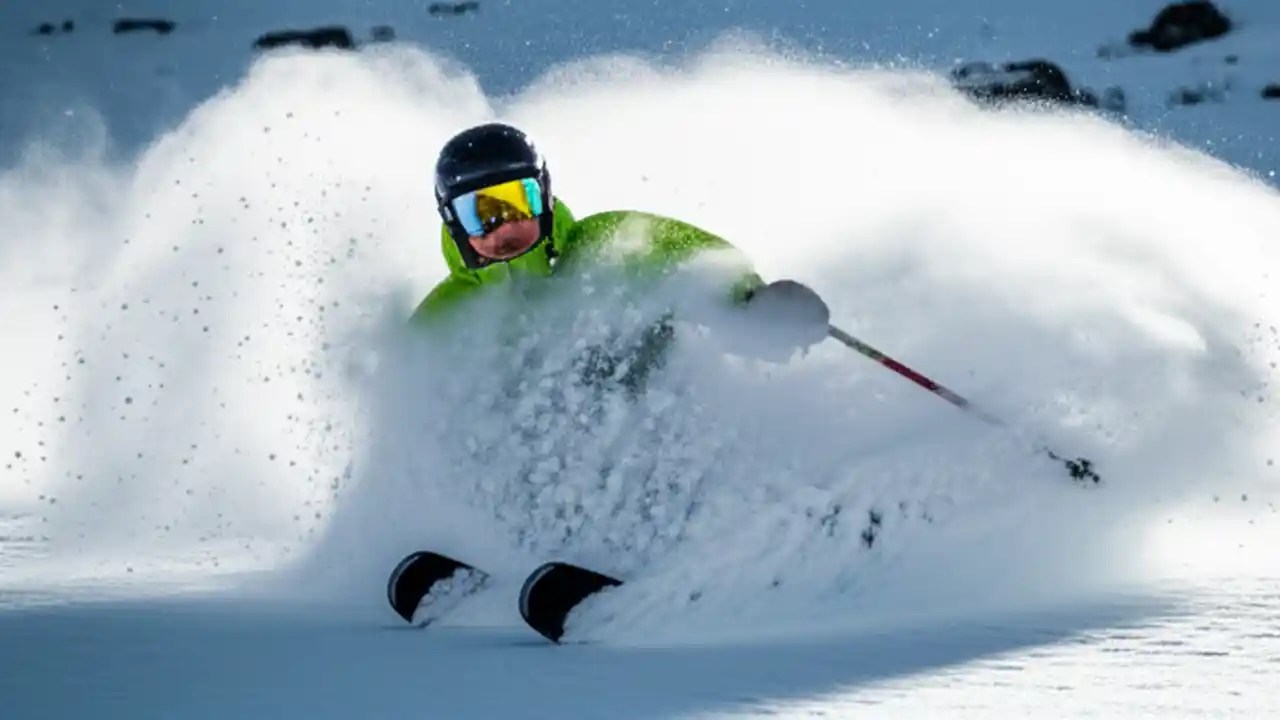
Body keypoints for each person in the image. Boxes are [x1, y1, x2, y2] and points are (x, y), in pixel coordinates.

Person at [411, 122, 829, 390]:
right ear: (453, 222)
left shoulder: (610, 243)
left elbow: (701, 262)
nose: (504, 227)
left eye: (518, 201)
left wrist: (756, 302)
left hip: (657, 419)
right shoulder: (448, 315)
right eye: (479, 214)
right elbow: (406, 405)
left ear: (544, 196)